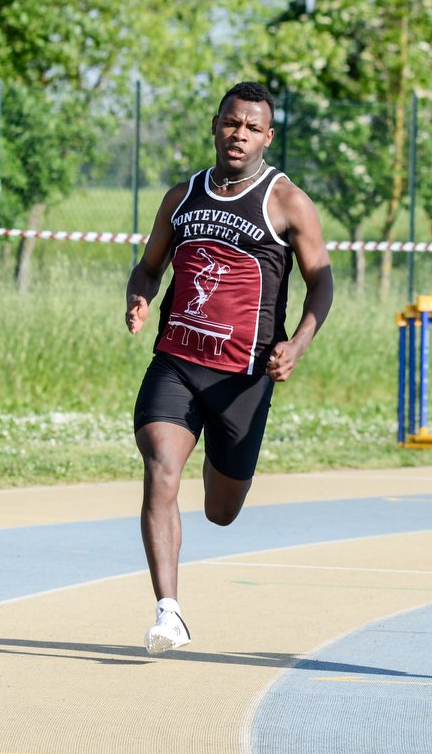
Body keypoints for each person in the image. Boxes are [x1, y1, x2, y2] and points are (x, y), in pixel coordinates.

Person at [125, 80, 333, 654]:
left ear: (268, 135)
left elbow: (322, 283)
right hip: (177, 360)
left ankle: (216, 457)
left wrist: (298, 343)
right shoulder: (183, 196)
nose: (238, 134)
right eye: (229, 123)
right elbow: (147, 268)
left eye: (251, 127)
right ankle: (169, 613)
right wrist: (139, 296)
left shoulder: (286, 202)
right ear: (215, 125)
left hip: (242, 377)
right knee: (160, 463)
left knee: (221, 512)